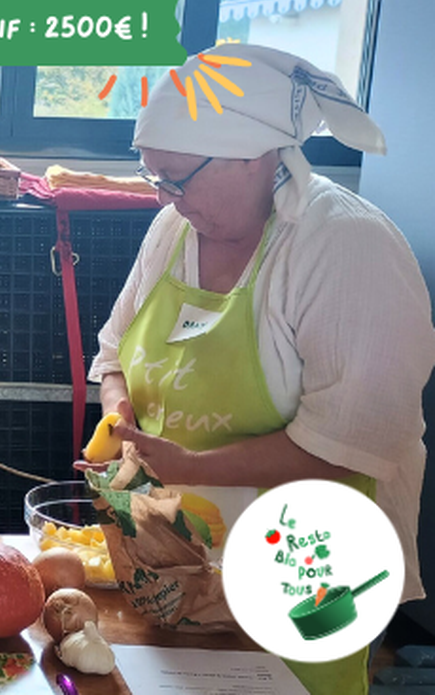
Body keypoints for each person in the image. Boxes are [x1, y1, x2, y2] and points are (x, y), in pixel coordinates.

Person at [83, 43, 435, 695]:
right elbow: (112, 357)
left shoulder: (346, 246)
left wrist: (191, 466)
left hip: (305, 578)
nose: (166, 196)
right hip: (175, 565)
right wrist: (120, 421)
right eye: (153, 176)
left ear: (253, 155)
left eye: (177, 178)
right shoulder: (172, 230)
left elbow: (353, 445)